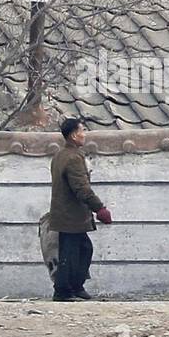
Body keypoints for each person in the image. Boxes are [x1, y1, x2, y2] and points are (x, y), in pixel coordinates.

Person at [48, 117, 112, 302]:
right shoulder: (74, 158)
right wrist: (99, 208)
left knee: (82, 249)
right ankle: (63, 290)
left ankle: (76, 287)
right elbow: (81, 189)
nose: (84, 134)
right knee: (72, 252)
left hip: (64, 214)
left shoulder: (60, 155)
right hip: (71, 216)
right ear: (75, 135)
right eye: (82, 130)